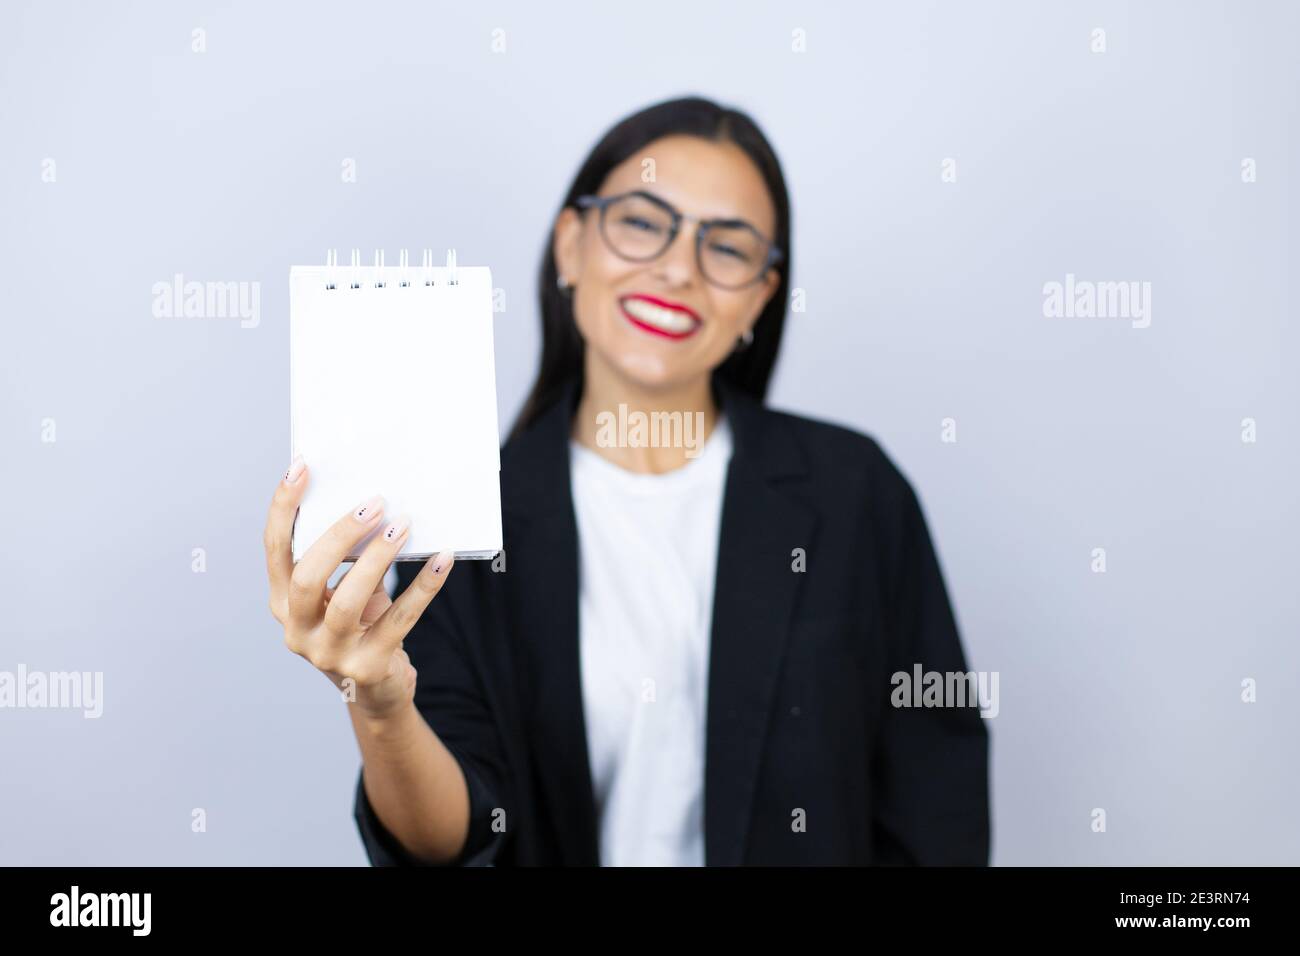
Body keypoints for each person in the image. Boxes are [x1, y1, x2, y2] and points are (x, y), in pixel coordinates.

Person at [263, 96, 990, 866]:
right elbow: (462, 837)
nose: (678, 268)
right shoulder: (468, 518)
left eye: (729, 247)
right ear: (571, 248)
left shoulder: (854, 495)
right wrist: (378, 702)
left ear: (760, 297)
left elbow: (935, 803)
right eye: (643, 223)